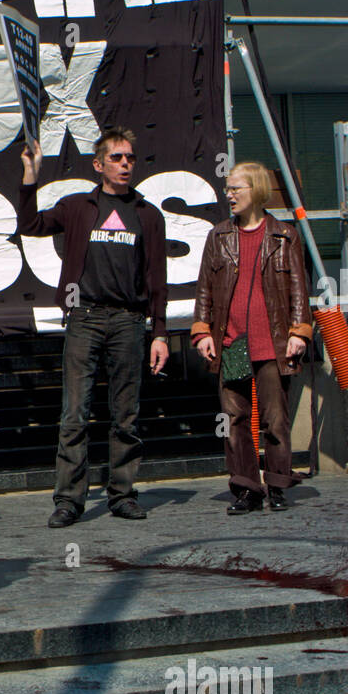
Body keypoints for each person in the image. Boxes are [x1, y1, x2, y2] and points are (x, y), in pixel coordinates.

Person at [19, 128, 169, 527]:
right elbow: (31, 224)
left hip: (129, 320)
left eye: (130, 158)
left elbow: (157, 277)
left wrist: (160, 333)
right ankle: (69, 500)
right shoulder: (78, 207)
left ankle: (122, 494)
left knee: (126, 415)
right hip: (84, 317)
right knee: (74, 414)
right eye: (117, 158)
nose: (125, 164)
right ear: (99, 165)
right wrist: (29, 177)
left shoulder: (147, 214)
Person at [191, 161, 312, 513]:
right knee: (234, 420)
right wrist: (201, 332)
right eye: (228, 188)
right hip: (231, 343)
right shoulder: (219, 236)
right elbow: (204, 291)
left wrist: (299, 332)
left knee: (275, 419)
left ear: (256, 190)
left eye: (236, 188)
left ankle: (276, 486)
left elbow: (298, 291)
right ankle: (246, 489)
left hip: (273, 343)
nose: (229, 194)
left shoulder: (284, 235)